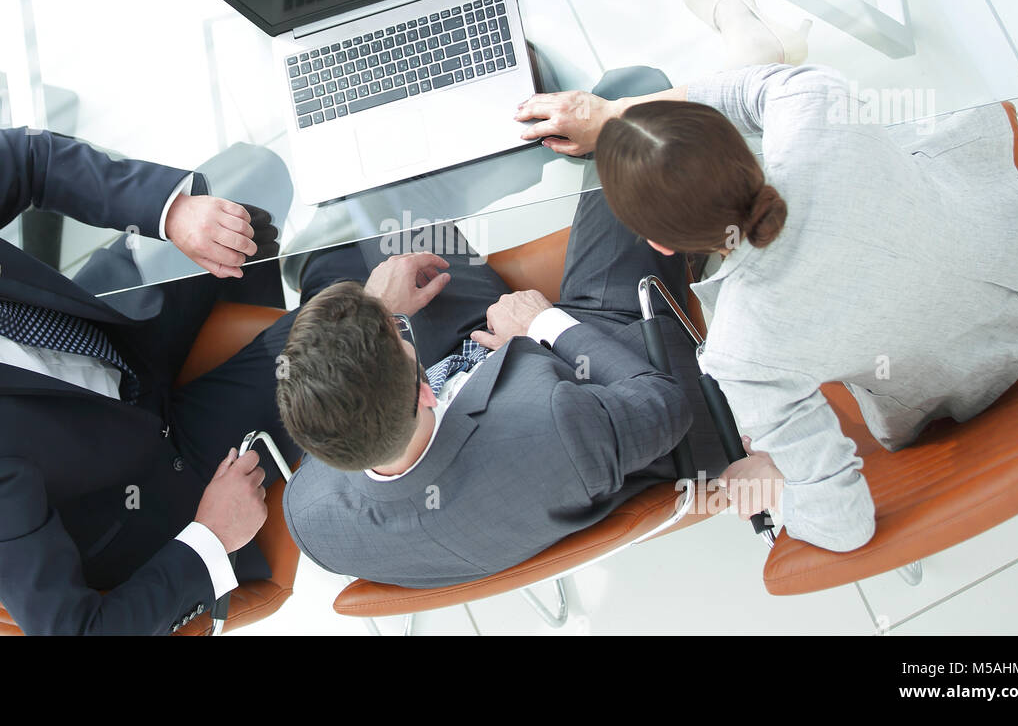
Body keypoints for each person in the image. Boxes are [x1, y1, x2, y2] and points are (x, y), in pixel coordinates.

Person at [515, 63, 1018, 552]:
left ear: (658, 245)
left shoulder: (744, 354)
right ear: (743, 143)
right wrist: (611, 111)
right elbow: (761, 86)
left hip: (979, 376)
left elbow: (845, 526)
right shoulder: (817, 117)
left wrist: (774, 479)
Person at [0, 127, 329, 634]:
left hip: (118, 342)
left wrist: (171, 213)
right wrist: (210, 537)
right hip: (156, 484)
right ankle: (330, 358)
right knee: (347, 328)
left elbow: (25, 158)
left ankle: (286, 346)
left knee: (238, 219)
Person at [273, 67, 727, 588]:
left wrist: (382, 308)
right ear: (423, 391)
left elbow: (353, 405)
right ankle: (674, 224)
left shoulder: (313, 522)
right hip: (591, 358)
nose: (399, 325)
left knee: (381, 189)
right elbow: (663, 406)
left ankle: (510, 110)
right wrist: (544, 325)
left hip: (470, 363)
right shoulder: (557, 428)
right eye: (399, 336)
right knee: (632, 100)